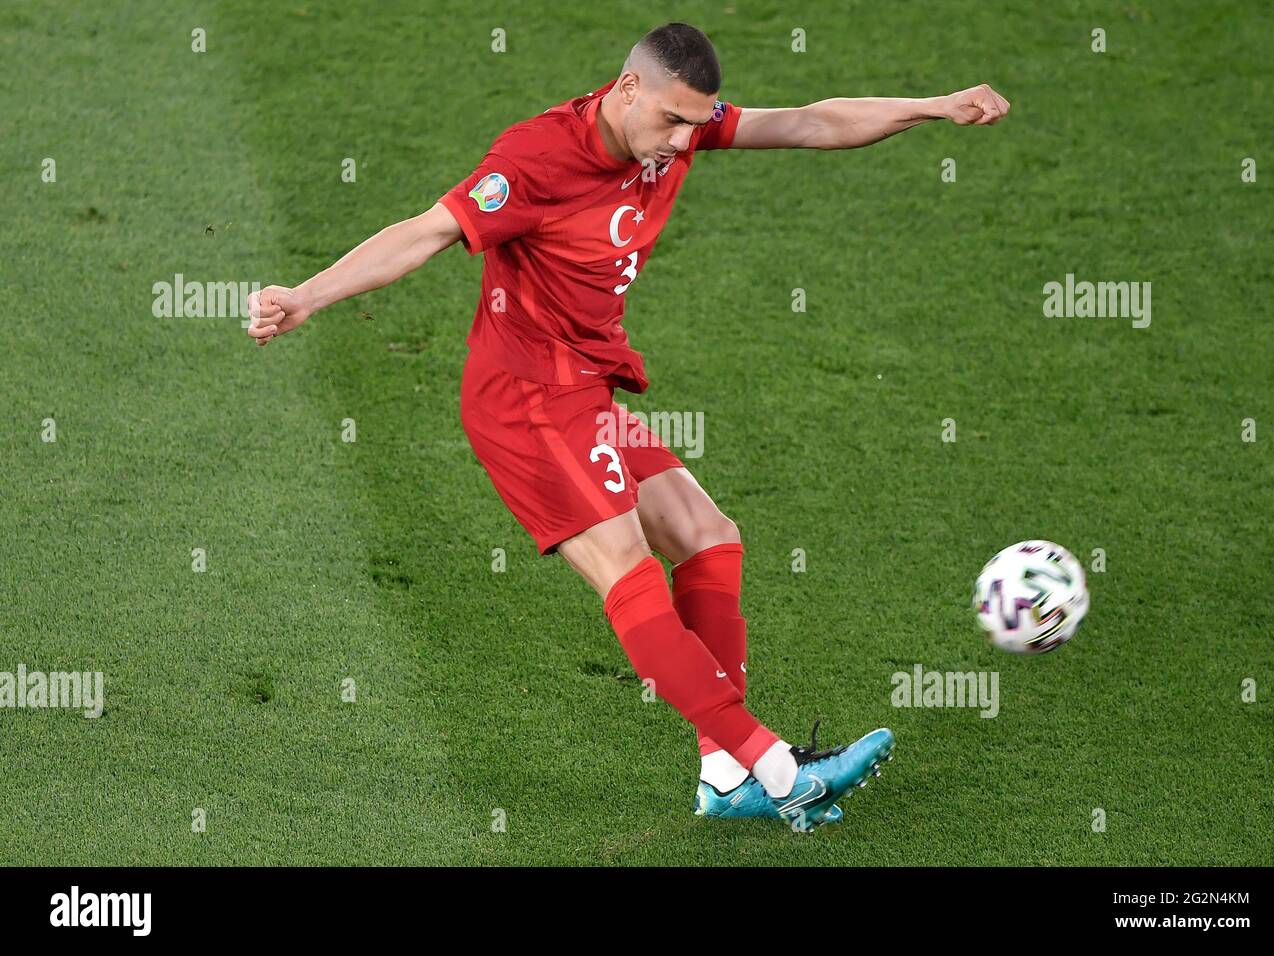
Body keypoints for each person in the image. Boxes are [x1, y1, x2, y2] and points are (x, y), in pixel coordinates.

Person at [247, 21, 1009, 829]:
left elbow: (811, 121)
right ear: (628, 89)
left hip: (585, 393)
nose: (685, 143)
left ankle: (723, 776)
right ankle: (779, 770)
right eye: (673, 122)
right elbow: (427, 231)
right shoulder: (537, 158)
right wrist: (306, 296)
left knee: (709, 534)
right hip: (525, 401)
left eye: (698, 125)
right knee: (629, 569)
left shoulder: (674, 130)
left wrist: (933, 108)